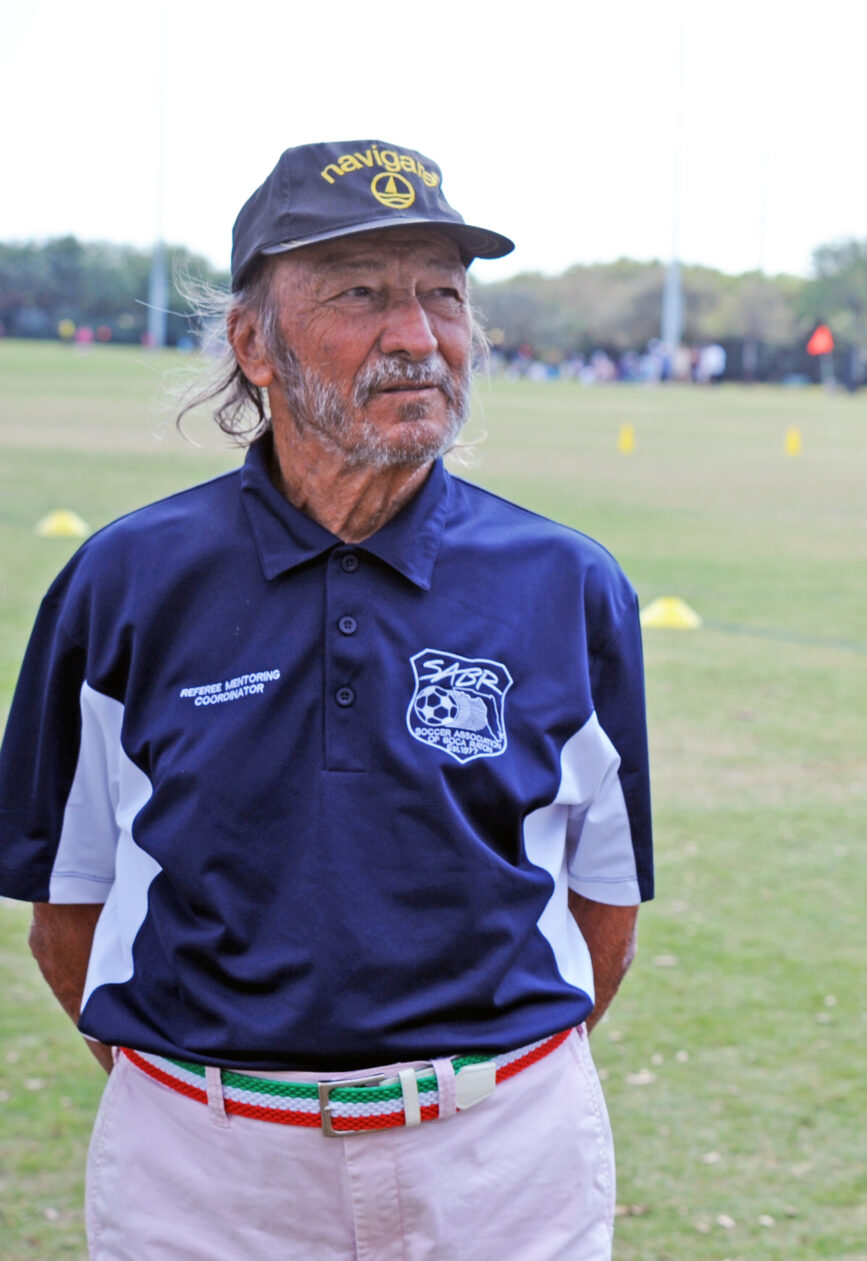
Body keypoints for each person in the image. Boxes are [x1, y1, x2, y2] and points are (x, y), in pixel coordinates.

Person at [0, 140, 653, 1259]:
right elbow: (68, 913)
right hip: (202, 1187)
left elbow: (604, 907)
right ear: (252, 341)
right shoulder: (124, 581)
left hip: (503, 1171)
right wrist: (233, 1109)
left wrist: (463, 1096)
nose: (417, 337)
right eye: (360, 293)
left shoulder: (569, 585)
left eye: (441, 295)